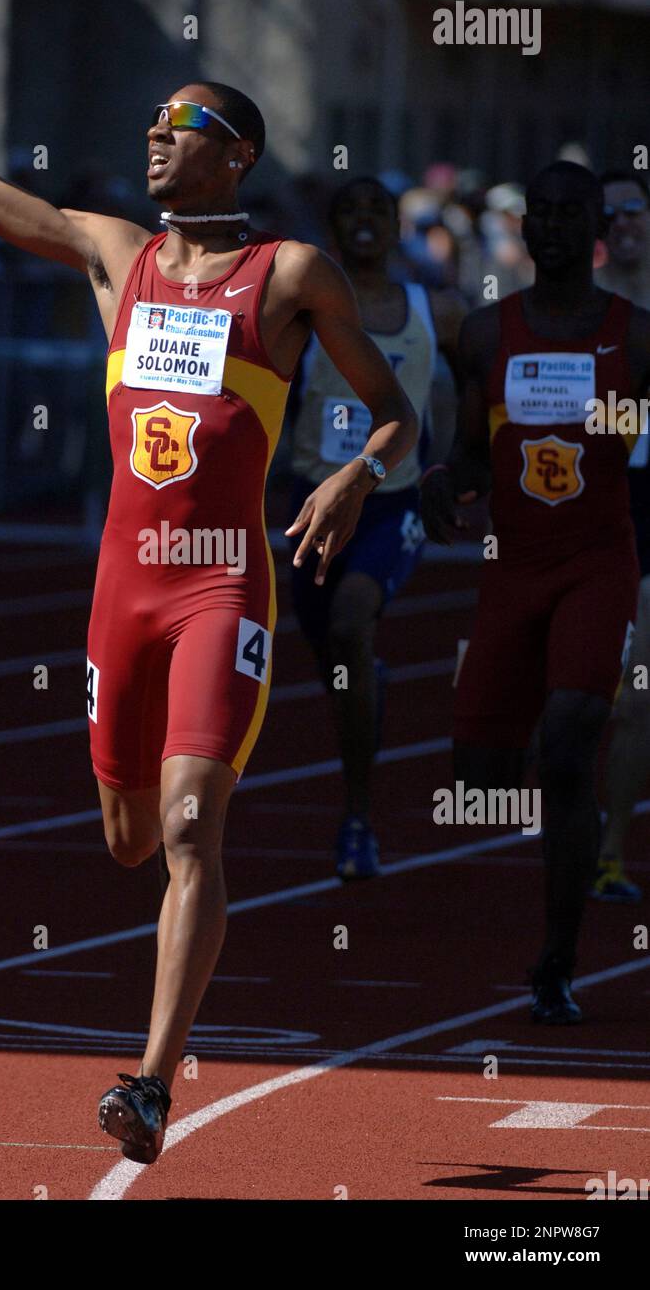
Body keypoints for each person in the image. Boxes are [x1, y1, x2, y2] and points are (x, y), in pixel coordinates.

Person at [0, 0, 417, 1163]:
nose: (155, 135)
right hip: (120, 594)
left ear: (233, 152)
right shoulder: (116, 254)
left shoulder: (288, 273)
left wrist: (354, 472)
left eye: (180, 120)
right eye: (150, 119)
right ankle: (151, 1022)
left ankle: (147, 1084)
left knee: (194, 828)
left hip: (218, 588)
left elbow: (396, 411)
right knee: (127, 838)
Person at [421, 161, 650, 1024]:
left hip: (599, 560)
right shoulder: (485, 332)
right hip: (513, 567)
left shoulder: (635, 336)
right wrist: (449, 477)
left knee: (569, 738)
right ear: (524, 228)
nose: (553, 226)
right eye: (540, 211)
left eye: (570, 212)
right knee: (479, 775)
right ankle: (565, 818)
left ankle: (558, 955)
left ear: (594, 226)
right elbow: (471, 451)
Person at [289, 177, 465, 878]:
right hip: (315, 503)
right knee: (334, 661)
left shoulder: (437, 309)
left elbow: (478, 376)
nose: (365, 221)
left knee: (352, 622)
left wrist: (450, 464)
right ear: (333, 231)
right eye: (350, 210)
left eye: (378, 211)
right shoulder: (304, 310)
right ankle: (364, 686)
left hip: (392, 504)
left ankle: (358, 813)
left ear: (398, 229)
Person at [592, 170, 650, 902]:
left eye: (634, 208)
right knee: (572, 696)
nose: (623, 223)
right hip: (584, 494)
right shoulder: (581, 309)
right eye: (609, 215)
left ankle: (609, 853)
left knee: (639, 698)